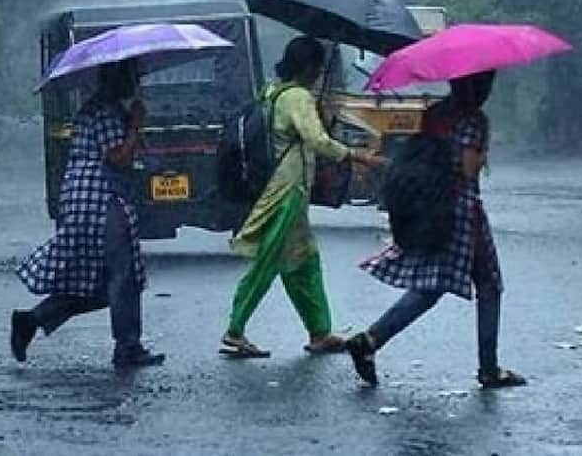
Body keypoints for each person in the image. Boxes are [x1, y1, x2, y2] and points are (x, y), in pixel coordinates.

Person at [348, 70, 527, 389]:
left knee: (431, 287)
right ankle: (489, 368)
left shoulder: (435, 113)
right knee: (488, 285)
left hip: (432, 206)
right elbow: (468, 168)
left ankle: (371, 340)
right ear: (479, 85)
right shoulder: (474, 120)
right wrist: (485, 150)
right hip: (463, 210)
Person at [220, 36, 387, 358]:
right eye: (319, 68)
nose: (320, 74)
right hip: (286, 191)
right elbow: (318, 141)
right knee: (268, 261)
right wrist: (358, 156)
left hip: (286, 188)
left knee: (304, 260)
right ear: (309, 67)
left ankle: (319, 331)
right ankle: (235, 329)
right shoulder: (297, 97)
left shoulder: (273, 91)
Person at [11, 61, 165, 369]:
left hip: (86, 198)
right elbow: (118, 158)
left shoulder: (99, 110)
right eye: (133, 76)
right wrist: (135, 126)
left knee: (99, 284)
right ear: (118, 79)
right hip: (100, 199)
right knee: (122, 277)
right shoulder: (105, 113)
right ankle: (128, 347)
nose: (137, 82)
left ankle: (33, 319)